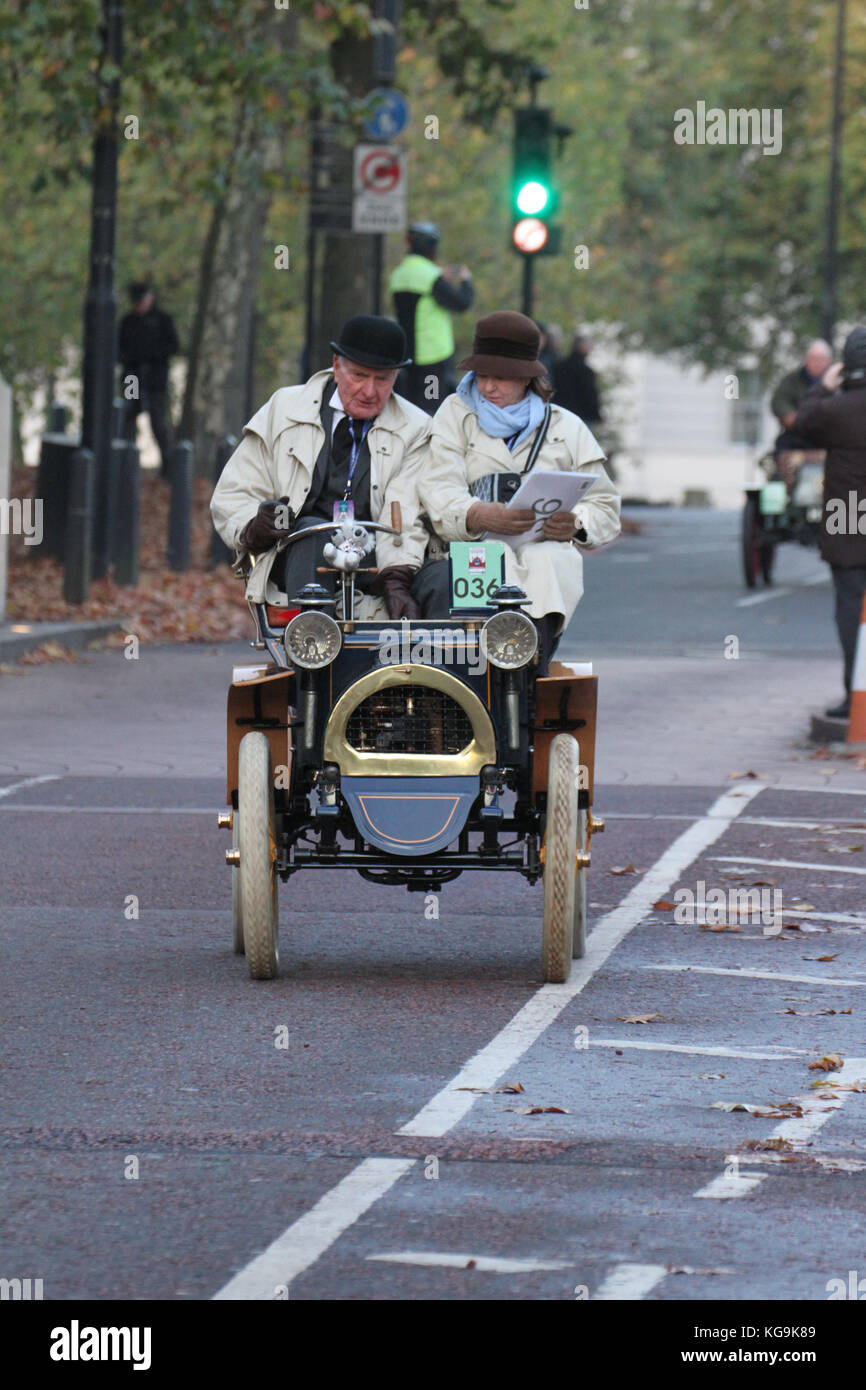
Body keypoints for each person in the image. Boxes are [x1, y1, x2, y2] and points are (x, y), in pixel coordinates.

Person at [418, 311, 621, 672]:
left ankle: (527, 675)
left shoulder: (566, 428)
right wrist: (478, 514)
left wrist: (576, 523)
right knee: (478, 577)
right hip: (468, 552)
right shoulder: (453, 415)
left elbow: (605, 506)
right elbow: (437, 487)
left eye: (501, 377)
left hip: (539, 557)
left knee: (549, 563)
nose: (488, 387)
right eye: (482, 375)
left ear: (527, 378)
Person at [210, 315, 448, 621]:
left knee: (443, 578)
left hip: (383, 557)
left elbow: (405, 513)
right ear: (336, 366)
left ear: (397, 377)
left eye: (383, 379)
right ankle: (315, 655)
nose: (369, 391)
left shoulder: (417, 428)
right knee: (309, 534)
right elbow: (234, 493)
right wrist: (254, 527)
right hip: (299, 556)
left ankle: (435, 665)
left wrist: (395, 577)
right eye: (359, 376)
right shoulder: (284, 410)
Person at [794, 327, 866, 720]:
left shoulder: (835, 409)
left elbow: (802, 424)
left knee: (850, 609)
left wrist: (823, 386)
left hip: (848, 516)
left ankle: (855, 693)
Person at [389, 222, 474, 415]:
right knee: (431, 407)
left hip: (407, 355)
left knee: (409, 409)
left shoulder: (398, 274)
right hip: (433, 356)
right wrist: (465, 280)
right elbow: (462, 303)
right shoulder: (431, 276)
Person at [118, 281, 180, 477]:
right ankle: (124, 464)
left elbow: (174, 346)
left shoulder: (162, 320)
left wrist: (153, 356)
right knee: (128, 417)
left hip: (155, 379)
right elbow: (118, 349)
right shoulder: (127, 321)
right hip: (132, 378)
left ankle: (168, 469)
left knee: (158, 422)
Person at [771, 339, 833, 452]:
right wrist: (789, 415)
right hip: (797, 434)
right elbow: (779, 400)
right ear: (806, 359)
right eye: (813, 359)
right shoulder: (792, 379)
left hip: (828, 436)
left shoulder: (837, 381)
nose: (817, 363)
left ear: (829, 361)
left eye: (821, 359)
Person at [552, 331, 602, 426]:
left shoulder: (558, 365)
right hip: (582, 417)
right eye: (589, 345)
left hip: (560, 414)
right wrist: (596, 416)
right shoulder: (586, 371)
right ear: (581, 346)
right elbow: (590, 396)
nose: (591, 348)